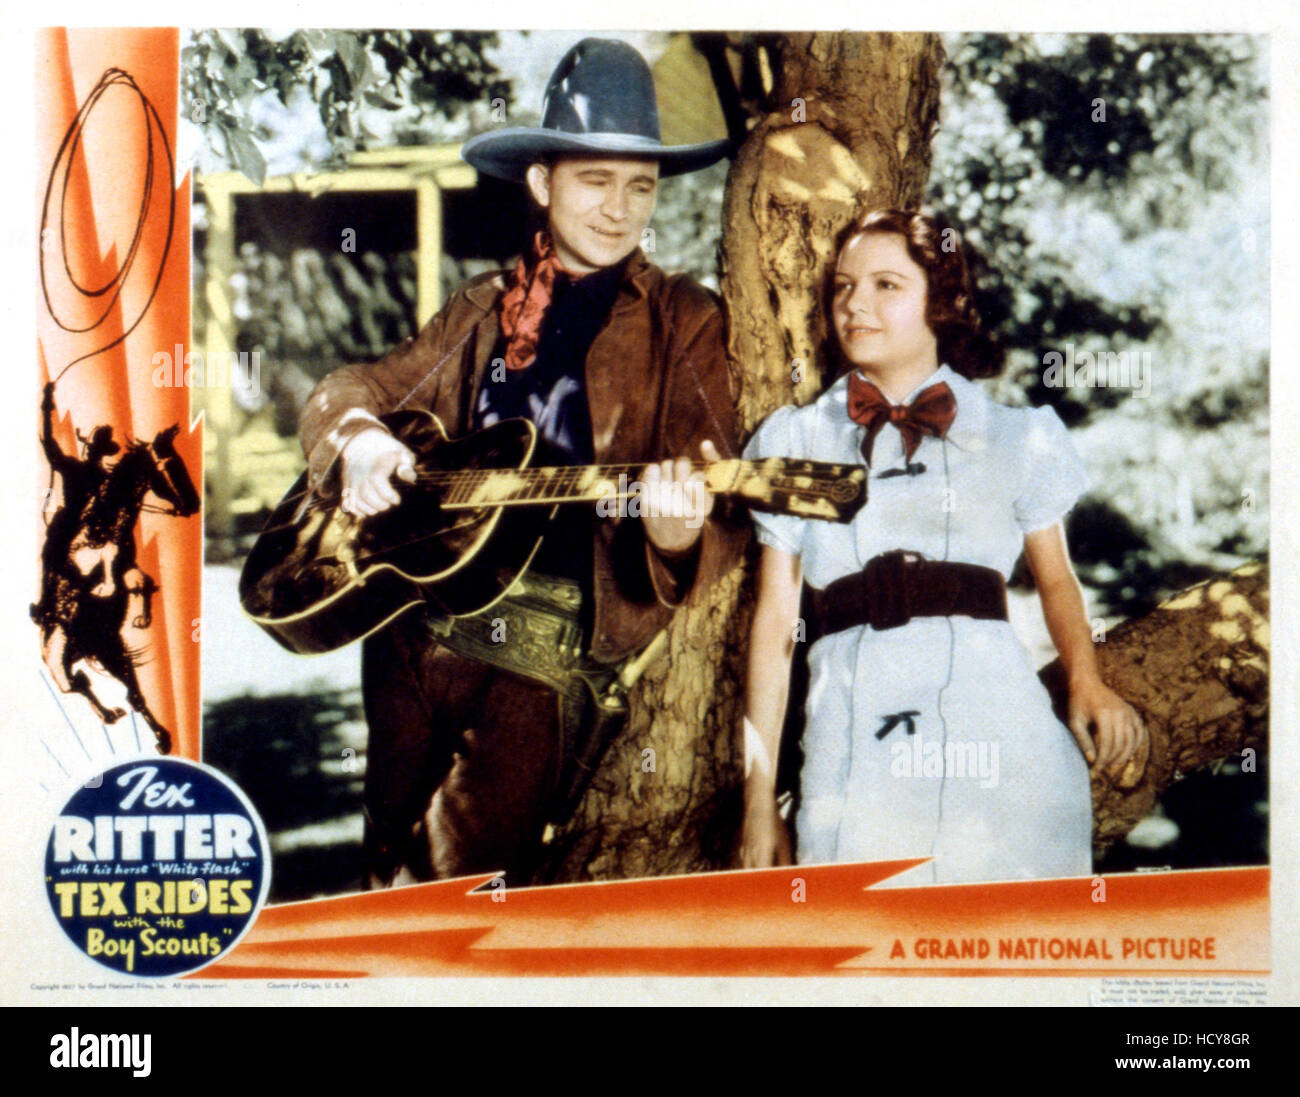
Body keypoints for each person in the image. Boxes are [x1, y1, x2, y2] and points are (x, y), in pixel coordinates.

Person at [299, 38, 744, 887]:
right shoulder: (479, 310)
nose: (619, 209)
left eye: (640, 186)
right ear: (542, 183)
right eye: (594, 180)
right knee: (380, 873)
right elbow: (352, 384)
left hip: (545, 654)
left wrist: (676, 536)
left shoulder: (683, 320)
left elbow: (720, 492)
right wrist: (356, 434)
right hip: (413, 629)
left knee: (470, 888)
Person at [739, 208, 1147, 885]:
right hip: (855, 743)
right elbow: (776, 626)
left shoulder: (1017, 436)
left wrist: (1087, 679)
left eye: (885, 285)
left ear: (942, 302)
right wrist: (758, 803)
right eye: (843, 286)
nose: (855, 304)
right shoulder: (797, 440)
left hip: (1002, 744)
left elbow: (1057, 583)